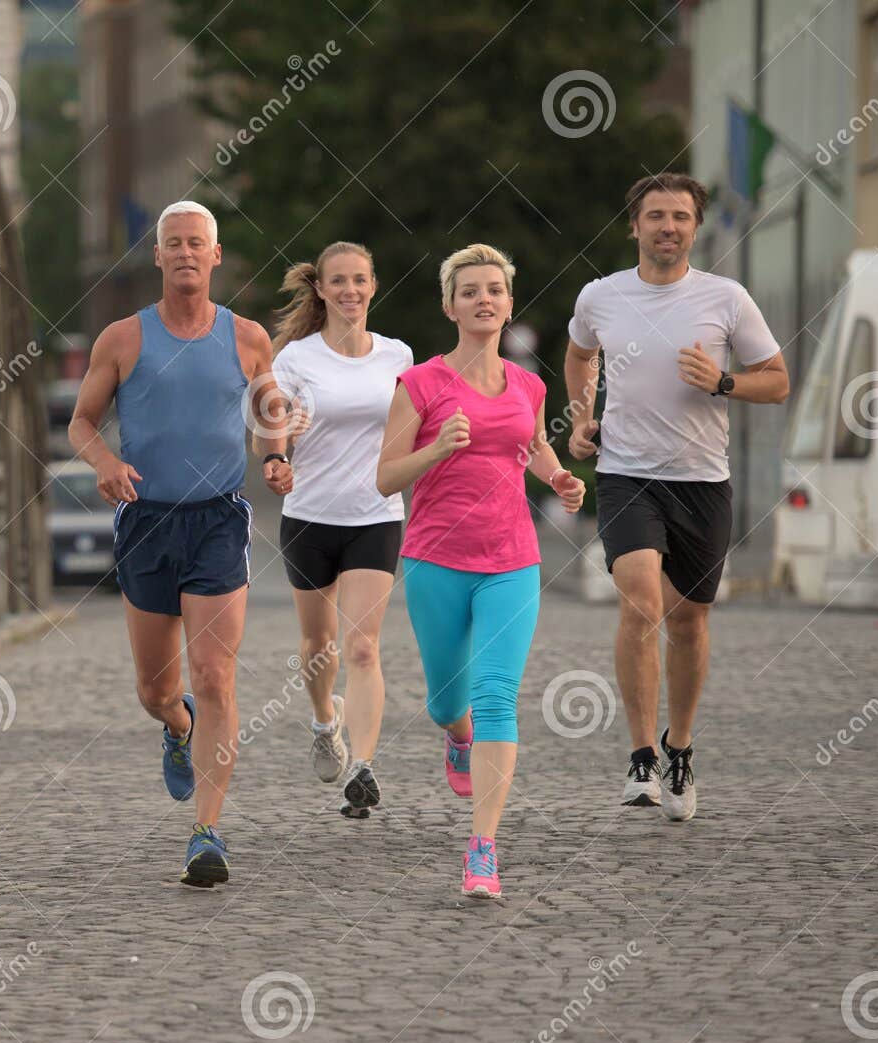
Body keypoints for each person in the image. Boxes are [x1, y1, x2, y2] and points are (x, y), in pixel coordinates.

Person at [69, 200, 293, 887]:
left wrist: (277, 455)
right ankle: (175, 725)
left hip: (219, 520)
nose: (187, 253)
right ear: (158, 257)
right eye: (175, 244)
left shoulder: (249, 338)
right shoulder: (121, 339)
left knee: (217, 677)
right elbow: (81, 422)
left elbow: (270, 409)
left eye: (198, 243)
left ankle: (208, 832)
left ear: (215, 256)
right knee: (156, 688)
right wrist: (105, 464)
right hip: (146, 521)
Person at [566, 173, 788, 822]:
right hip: (627, 475)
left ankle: (679, 747)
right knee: (639, 603)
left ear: (696, 228)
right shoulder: (600, 296)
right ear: (633, 226)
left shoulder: (727, 299)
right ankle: (640, 756)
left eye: (681, 217)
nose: (668, 226)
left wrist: (722, 381)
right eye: (656, 215)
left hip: (702, 481)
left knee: (689, 621)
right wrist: (582, 414)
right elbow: (580, 356)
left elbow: (775, 382)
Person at [376, 243, 585, 898]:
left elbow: (533, 445)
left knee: (497, 694)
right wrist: (436, 447)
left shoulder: (527, 383)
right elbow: (384, 475)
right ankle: (456, 736)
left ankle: (483, 848)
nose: (484, 299)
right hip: (436, 559)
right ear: (450, 305)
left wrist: (557, 477)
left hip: (513, 560)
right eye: (470, 291)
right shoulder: (422, 384)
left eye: (494, 289)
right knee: (448, 700)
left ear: (508, 302)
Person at [266, 242, 413, 818]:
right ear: (321, 290)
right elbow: (267, 427)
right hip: (309, 514)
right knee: (318, 644)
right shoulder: (296, 358)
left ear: (373, 285)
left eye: (359, 279)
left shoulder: (399, 356)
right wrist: (277, 455)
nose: (350, 290)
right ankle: (326, 720)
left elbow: (415, 428)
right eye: (338, 282)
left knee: (362, 645)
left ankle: (363, 767)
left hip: (375, 514)